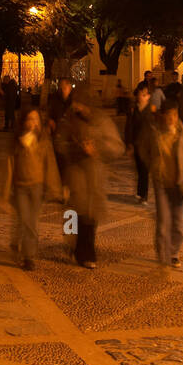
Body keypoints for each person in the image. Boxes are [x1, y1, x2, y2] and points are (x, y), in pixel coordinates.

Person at [58, 88, 123, 268]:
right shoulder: (69, 120)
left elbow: (116, 146)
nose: (77, 108)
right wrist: (76, 148)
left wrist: (97, 149)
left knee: (91, 218)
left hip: (94, 175)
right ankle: (78, 249)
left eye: (80, 104)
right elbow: (60, 144)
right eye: (75, 104)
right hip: (76, 174)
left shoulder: (101, 120)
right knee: (75, 215)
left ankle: (87, 253)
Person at [136, 98, 183, 267]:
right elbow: (142, 147)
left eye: (174, 115)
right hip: (161, 182)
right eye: (169, 115)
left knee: (179, 224)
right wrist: (152, 165)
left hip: (178, 183)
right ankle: (163, 255)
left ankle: (174, 253)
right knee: (163, 222)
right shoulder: (154, 132)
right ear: (163, 115)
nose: (172, 118)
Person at [2, 108, 60, 270]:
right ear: (23, 122)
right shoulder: (16, 141)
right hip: (20, 187)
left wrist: (54, 189)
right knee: (24, 220)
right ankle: (17, 243)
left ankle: (29, 256)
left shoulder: (43, 141)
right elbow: (9, 166)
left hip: (37, 187)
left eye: (35, 119)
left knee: (31, 222)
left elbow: (50, 165)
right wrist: (5, 191)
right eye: (29, 119)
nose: (32, 123)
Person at [122, 84, 156, 203]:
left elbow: (154, 129)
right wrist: (129, 143)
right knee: (138, 168)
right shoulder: (133, 109)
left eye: (144, 95)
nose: (141, 97)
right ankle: (139, 192)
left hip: (147, 145)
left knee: (144, 170)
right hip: (136, 144)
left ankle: (144, 196)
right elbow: (129, 127)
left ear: (148, 96)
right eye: (140, 94)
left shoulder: (151, 111)